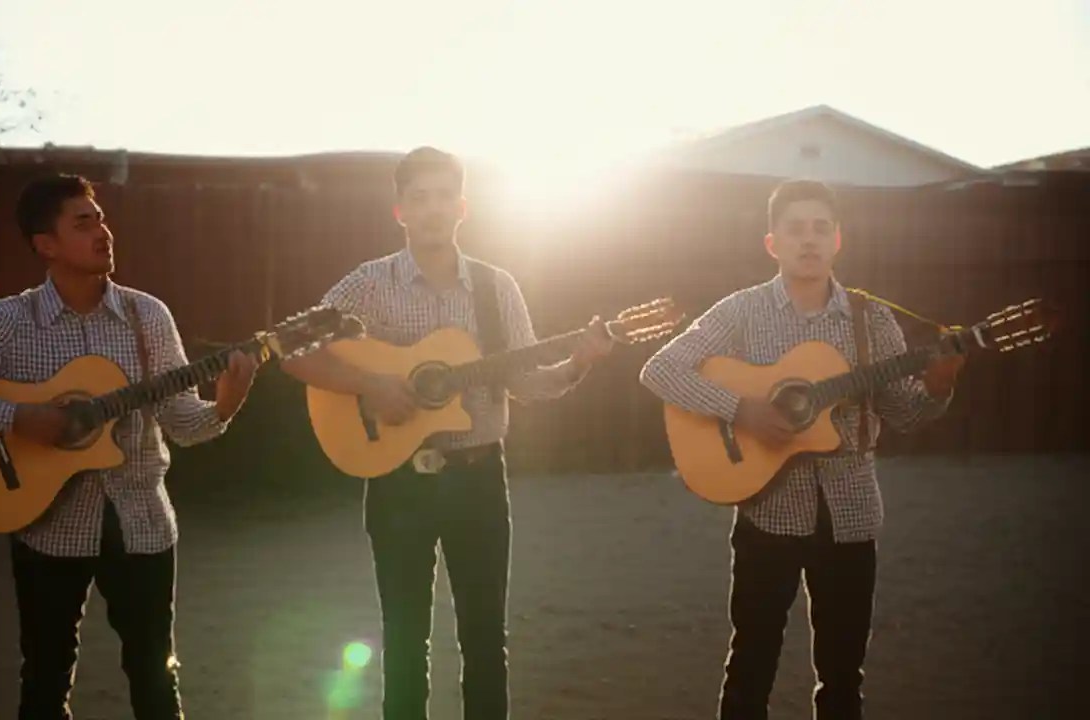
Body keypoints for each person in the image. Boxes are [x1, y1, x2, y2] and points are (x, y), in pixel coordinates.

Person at [0, 173, 260, 720]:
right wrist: (18, 417)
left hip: (142, 521)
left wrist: (224, 406)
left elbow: (182, 421)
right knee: (45, 678)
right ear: (45, 245)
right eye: (83, 222)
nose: (103, 231)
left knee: (155, 673)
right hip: (47, 524)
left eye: (101, 219)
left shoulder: (149, 316)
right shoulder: (11, 320)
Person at [280, 146, 614, 720]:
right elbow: (291, 349)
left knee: (486, 641)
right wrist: (371, 387)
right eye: (419, 198)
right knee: (405, 642)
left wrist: (580, 362)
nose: (432, 209)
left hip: (479, 479)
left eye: (443, 198)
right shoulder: (368, 284)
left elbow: (524, 382)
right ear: (399, 211)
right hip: (397, 482)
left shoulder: (495, 288)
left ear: (463, 207)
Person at [639, 179, 964, 720]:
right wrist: (741, 410)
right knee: (750, 665)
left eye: (820, 229)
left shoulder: (870, 321)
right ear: (773, 243)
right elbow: (660, 369)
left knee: (842, 675)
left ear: (838, 240)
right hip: (767, 511)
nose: (808, 241)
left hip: (851, 514)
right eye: (795, 229)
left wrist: (939, 383)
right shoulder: (741, 312)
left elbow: (904, 414)